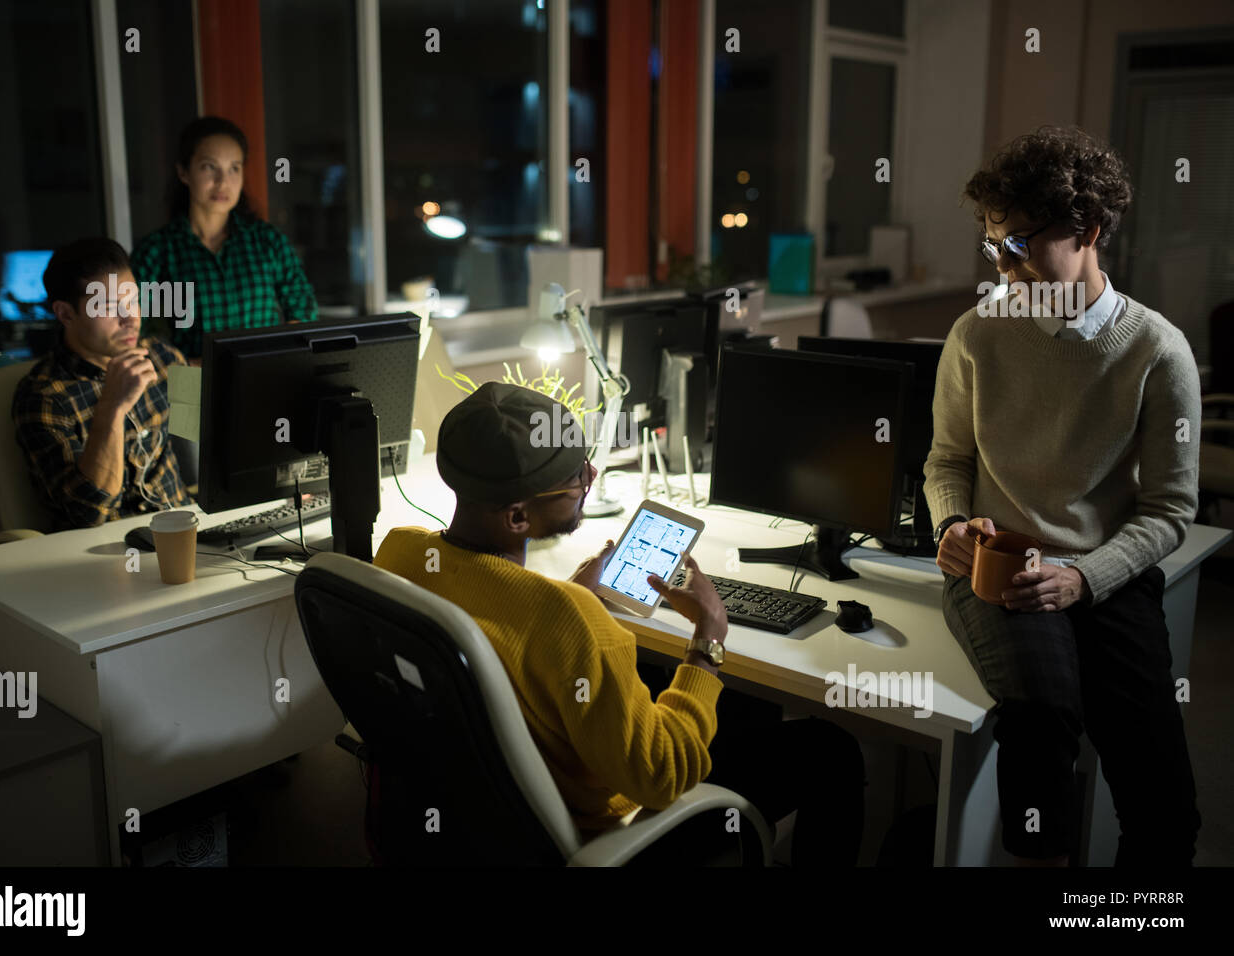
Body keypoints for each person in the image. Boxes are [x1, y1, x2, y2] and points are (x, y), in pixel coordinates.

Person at [374, 382, 865, 866]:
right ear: (518, 517)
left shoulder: (399, 552)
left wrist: (567, 598)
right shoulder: (571, 619)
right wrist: (708, 639)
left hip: (478, 822)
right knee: (831, 749)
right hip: (611, 830)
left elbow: (499, 618)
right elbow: (663, 775)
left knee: (729, 703)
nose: (590, 474)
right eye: (575, 478)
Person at [926, 126, 1202, 866]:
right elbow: (947, 461)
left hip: (1105, 571)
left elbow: (1170, 511)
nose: (1003, 265)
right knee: (1043, 718)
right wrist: (951, 524)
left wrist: (1083, 579)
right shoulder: (977, 335)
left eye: (1020, 243)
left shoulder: (1158, 351)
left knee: (1166, 808)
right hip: (1002, 566)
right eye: (993, 245)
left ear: (1090, 229)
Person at [13, 238, 191, 531]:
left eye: (133, 301)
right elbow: (89, 514)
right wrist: (112, 408)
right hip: (107, 548)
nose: (130, 318)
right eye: (108, 307)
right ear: (66, 314)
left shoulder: (162, 357)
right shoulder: (44, 397)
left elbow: (204, 448)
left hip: (184, 530)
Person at [130, 116, 319, 360]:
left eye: (234, 168)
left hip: (264, 374)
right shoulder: (156, 251)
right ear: (184, 172)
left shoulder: (268, 242)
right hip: (192, 380)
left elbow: (303, 310)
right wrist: (183, 366)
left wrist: (281, 353)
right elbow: (134, 329)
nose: (223, 182)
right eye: (209, 167)